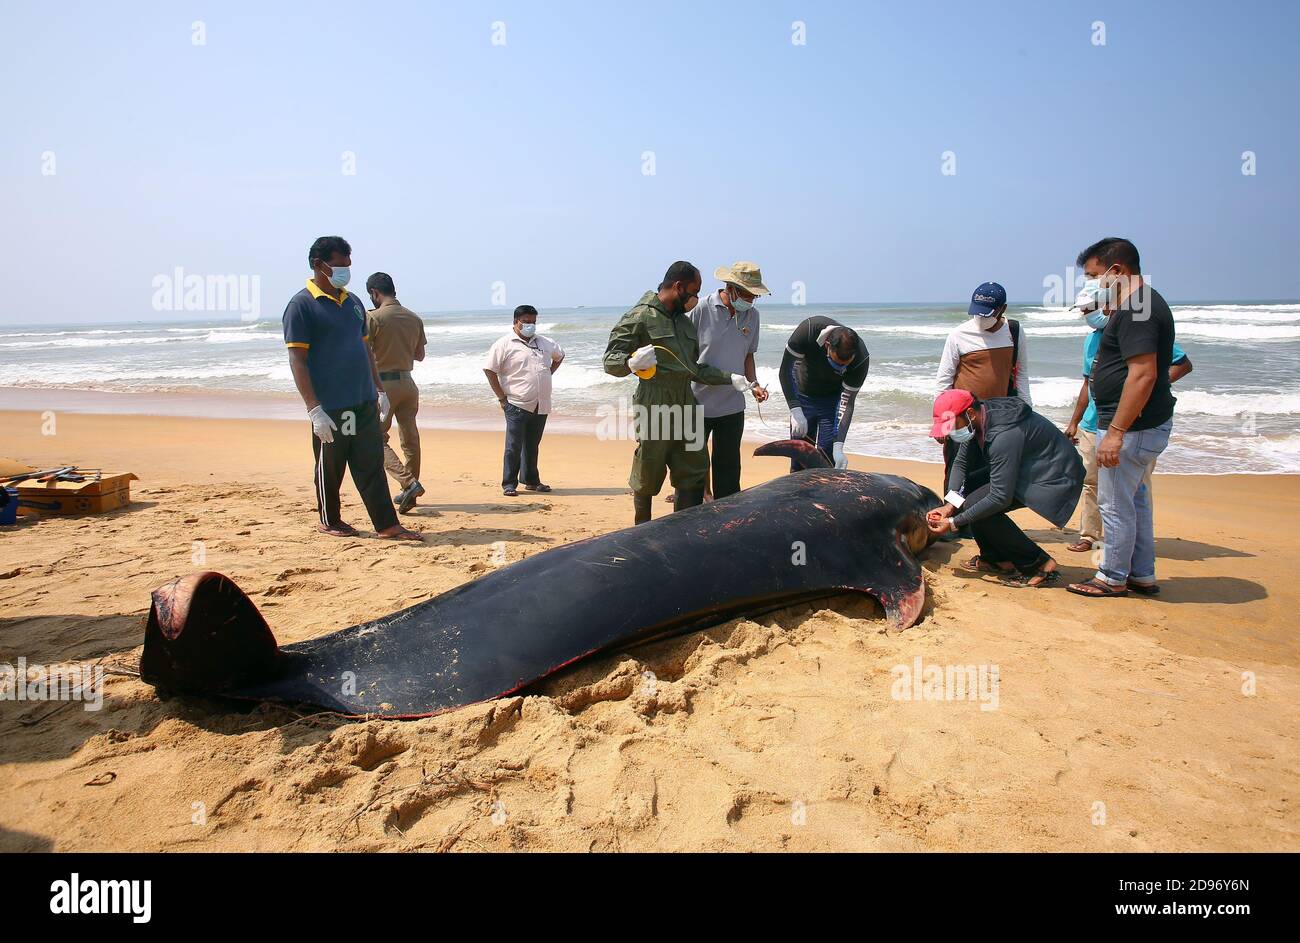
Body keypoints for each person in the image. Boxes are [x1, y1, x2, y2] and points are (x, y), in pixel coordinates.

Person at [282, 236, 420, 541]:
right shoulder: (302, 305)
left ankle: (387, 525)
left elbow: (365, 350)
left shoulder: (354, 302)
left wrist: (379, 390)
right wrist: (314, 409)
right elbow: (297, 359)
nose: (346, 270)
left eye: (348, 264)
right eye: (340, 265)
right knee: (330, 466)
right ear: (319, 265)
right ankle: (329, 520)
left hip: (363, 400)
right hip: (331, 405)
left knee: (370, 462)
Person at [603, 261, 760, 524]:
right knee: (648, 472)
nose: (697, 298)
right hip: (655, 404)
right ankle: (642, 531)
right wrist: (629, 364)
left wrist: (731, 378)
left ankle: (682, 530)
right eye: (694, 291)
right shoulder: (640, 316)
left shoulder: (684, 324)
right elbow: (610, 360)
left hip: (687, 403)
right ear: (678, 287)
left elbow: (693, 369)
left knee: (693, 470)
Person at [1066, 238, 1178, 598]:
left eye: (1093, 275)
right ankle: (1142, 574)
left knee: (1114, 505)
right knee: (1136, 502)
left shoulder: (1136, 310)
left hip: (1130, 428)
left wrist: (1115, 431)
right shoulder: (1140, 304)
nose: (1091, 284)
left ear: (1117, 271)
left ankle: (1112, 577)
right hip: (1141, 426)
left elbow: (1143, 374)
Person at [1063, 286, 1192, 553]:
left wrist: (1150, 391)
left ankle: (1125, 546)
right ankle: (1089, 535)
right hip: (1092, 423)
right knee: (1091, 482)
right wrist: (1074, 421)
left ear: (1105, 304)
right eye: (1084, 311)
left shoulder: (1135, 331)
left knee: (1135, 487)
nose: (1088, 315)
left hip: (1131, 425)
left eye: (1090, 309)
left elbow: (1181, 363)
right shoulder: (1091, 340)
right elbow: (1088, 382)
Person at [926, 390, 1083, 587]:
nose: (949, 432)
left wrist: (954, 522)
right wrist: (949, 505)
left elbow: (1000, 497)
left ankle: (1038, 563)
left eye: (951, 425)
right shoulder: (977, 420)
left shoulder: (1004, 435)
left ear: (970, 413)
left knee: (982, 506)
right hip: (1025, 467)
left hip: (1053, 475)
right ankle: (998, 558)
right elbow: (961, 464)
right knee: (971, 488)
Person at [935, 281, 1031, 493]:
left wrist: (1027, 414)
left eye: (986, 314)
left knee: (989, 477)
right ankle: (952, 523)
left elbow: (1021, 375)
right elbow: (944, 381)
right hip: (963, 419)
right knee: (956, 475)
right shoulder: (958, 335)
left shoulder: (1014, 331)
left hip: (998, 421)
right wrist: (942, 422)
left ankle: (977, 523)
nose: (980, 319)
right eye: (976, 313)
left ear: (1002, 309)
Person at [689, 261, 771, 500]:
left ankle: (724, 516)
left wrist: (754, 385)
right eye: (746, 294)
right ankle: (702, 502)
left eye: (754, 295)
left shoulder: (752, 316)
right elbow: (687, 354)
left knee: (728, 472)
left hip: (732, 406)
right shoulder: (702, 309)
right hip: (695, 402)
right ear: (730, 287)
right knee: (693, 467)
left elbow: (748, 356)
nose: (750, 300)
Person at [483, 305, 565, 497]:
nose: (530, 326)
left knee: (532, 445)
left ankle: (531, 481)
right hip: (516, 403)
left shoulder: (544, 342)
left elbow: (560, 356)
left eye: (533, 322)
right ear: (515, 322)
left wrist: (548, 373)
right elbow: (489, 370)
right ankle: (509, 484)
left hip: (541, 403)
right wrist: (502, 398)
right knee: (513, 446)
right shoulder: (504, 344)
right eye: (526, 322)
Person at [365, 272, 427, 515]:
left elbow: (364, 353)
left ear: (374, 293)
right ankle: (410, 493)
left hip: (383, 385)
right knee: (410, 438)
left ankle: (409, 482)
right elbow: (420, 355)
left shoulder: (374, 317)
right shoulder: (413, 317)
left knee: (374, 438)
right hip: (408, 383)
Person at [778, 315, 869, 469]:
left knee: (827, 455)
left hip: (832, 401)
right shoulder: (808, 331)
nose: (839, 368)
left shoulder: (861, 357)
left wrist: (839, 446)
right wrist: (795, 410)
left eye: (844, 366)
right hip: (803, 394)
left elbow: (847, 402)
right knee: (801, 454)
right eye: (835, 362)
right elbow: (785, 371)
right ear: (827, 345)